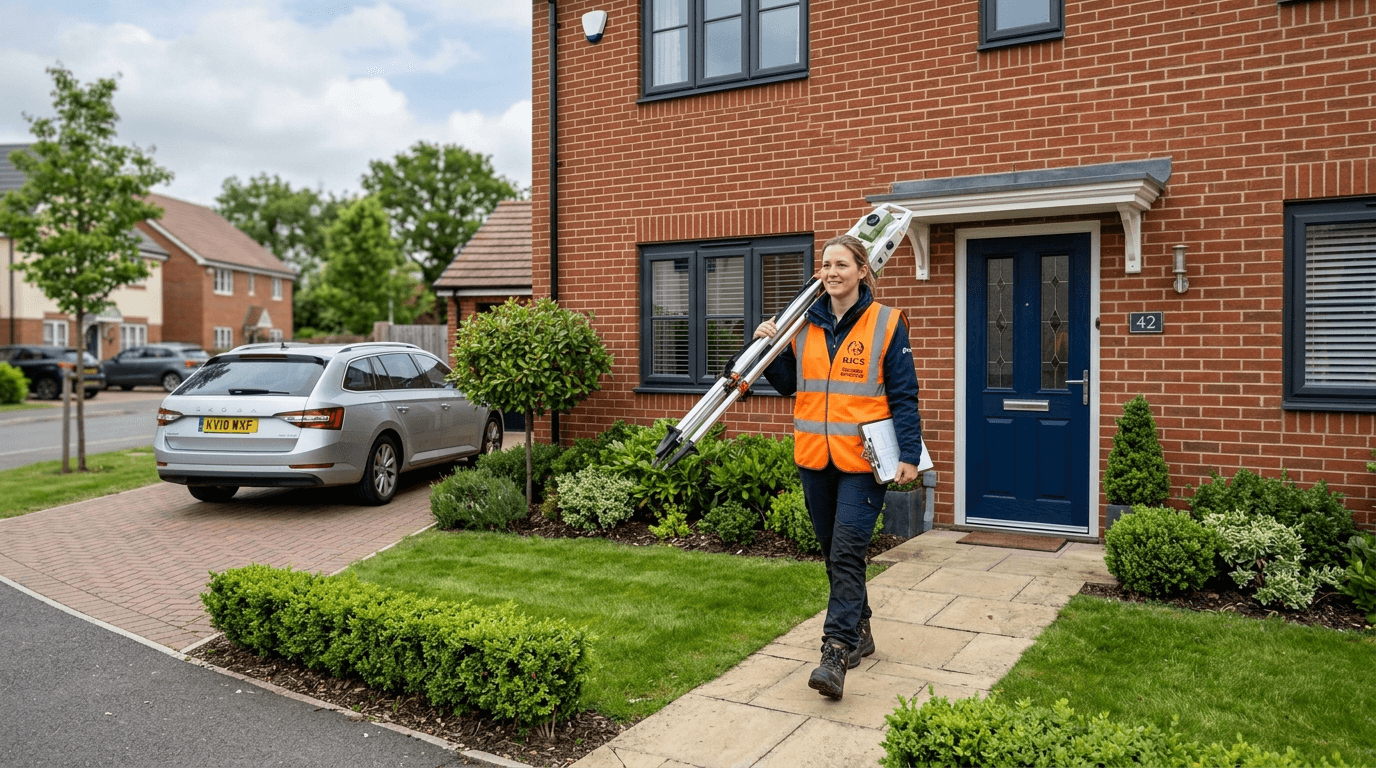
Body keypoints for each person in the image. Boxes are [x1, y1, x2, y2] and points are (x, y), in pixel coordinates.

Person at [754, 233, 922, 700]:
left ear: (863, 270)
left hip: (863, 462)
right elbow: (788, 385)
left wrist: (909, 455)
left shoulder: (886, 323)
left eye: (841, 264)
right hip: (815, 458)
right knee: (834, 552)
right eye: (825, 265)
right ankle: (862, 630)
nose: (830, 272)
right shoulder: (801, 325)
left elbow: (904, 395)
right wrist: (769, 348)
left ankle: (835, 650)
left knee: (847, 551)